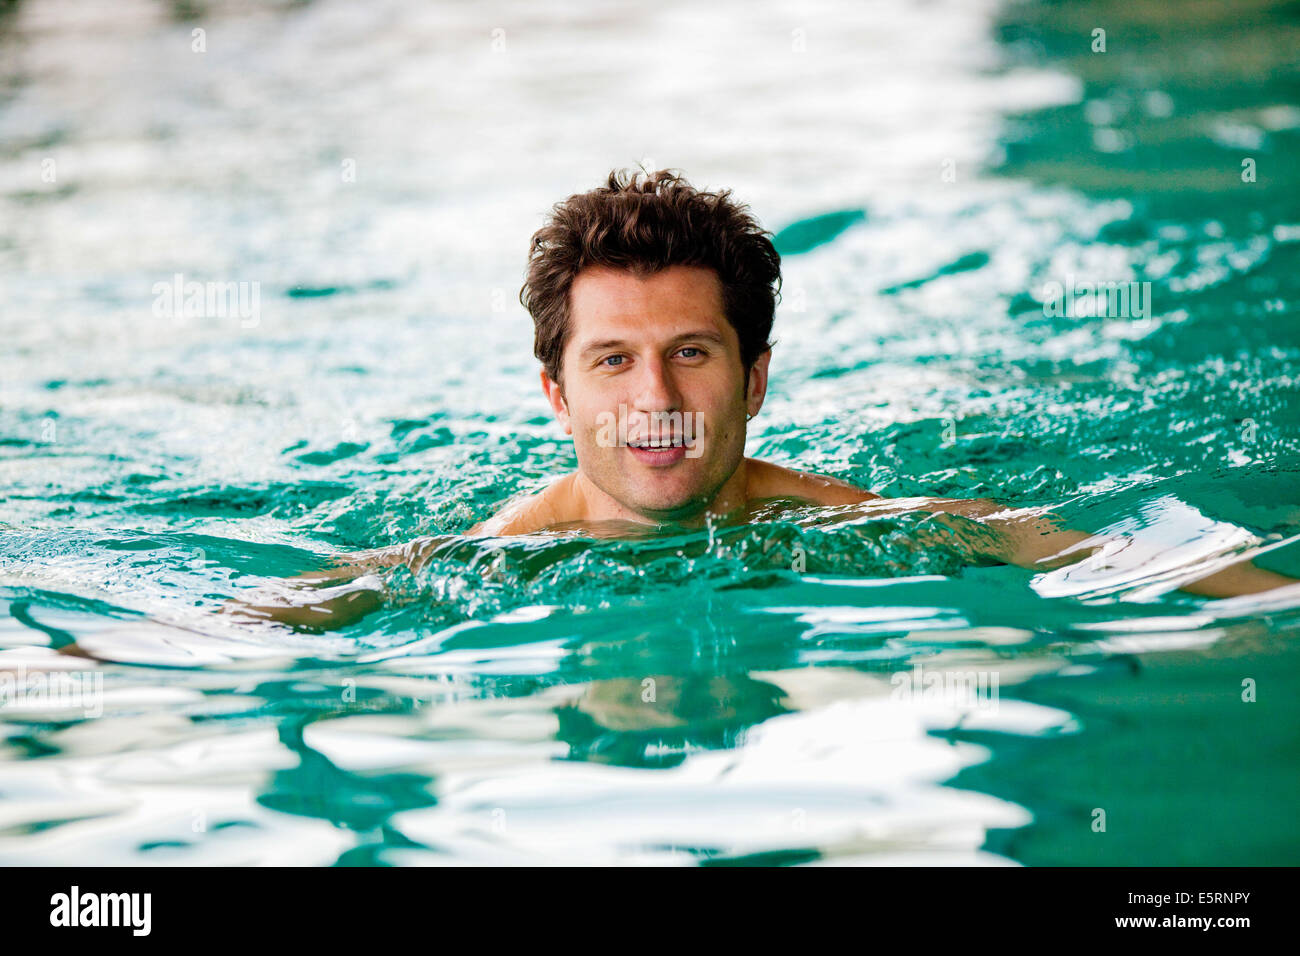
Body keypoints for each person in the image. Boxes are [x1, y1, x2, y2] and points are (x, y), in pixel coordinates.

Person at [225, 168, 1296, 631]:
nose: (656, 397)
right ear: (554, 393)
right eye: (611, 361)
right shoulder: (494, 552)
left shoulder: (831, 516)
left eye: (691, 351)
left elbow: (1020, 537)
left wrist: (1257, 601)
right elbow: (321, 597)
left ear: (756, 373)